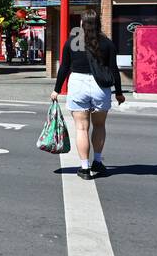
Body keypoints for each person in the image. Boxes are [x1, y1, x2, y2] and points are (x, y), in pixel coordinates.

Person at [51, 9, 125, 180]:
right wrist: (119, 93)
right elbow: (114, 70)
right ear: (98, 24)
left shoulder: (72, 42)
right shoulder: (107, 43)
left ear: (82, 24)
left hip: (78, 84)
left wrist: (56, 89)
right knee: (99, 126)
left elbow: (64, 68)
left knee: (81, 128)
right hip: (100, 86)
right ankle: (97, 162)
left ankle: (84, 168)